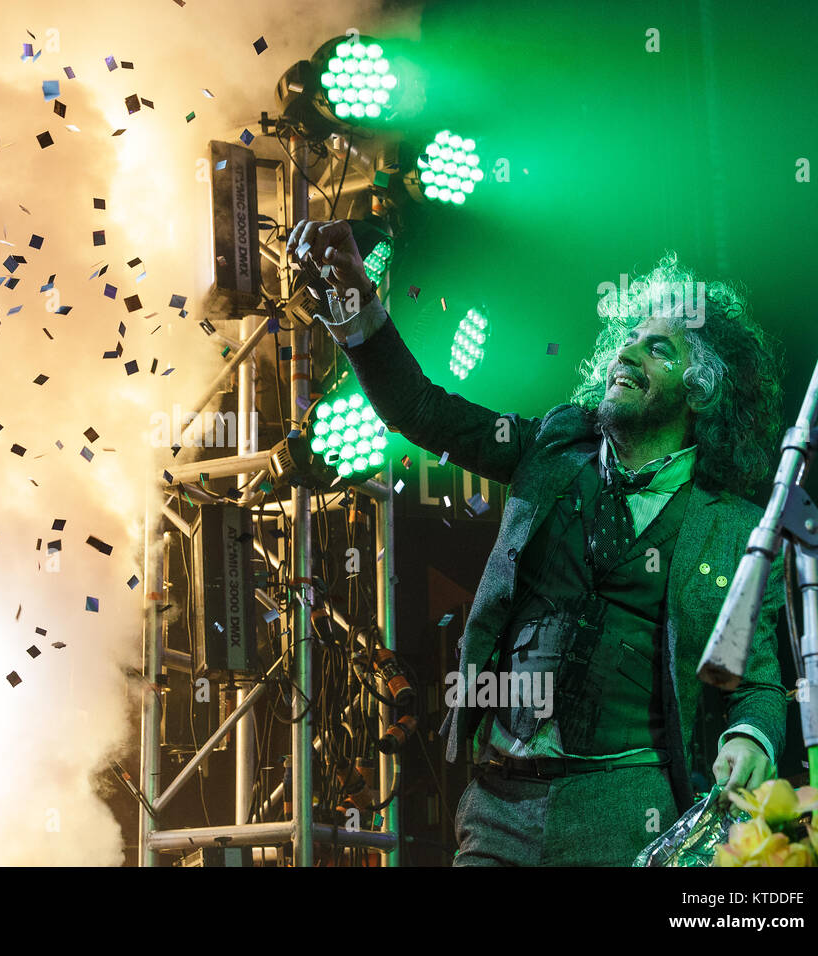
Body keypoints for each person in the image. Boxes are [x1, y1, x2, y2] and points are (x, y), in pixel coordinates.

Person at [286, 219, 789, 866]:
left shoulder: (733, 529)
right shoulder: (553, 450)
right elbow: (419, 408)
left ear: (703, 390)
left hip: (626, 809)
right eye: (628, 339)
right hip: (500, 801)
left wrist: (750, 738)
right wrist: (354, 302)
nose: (627, 353)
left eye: (659, 350)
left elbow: (758, 683)